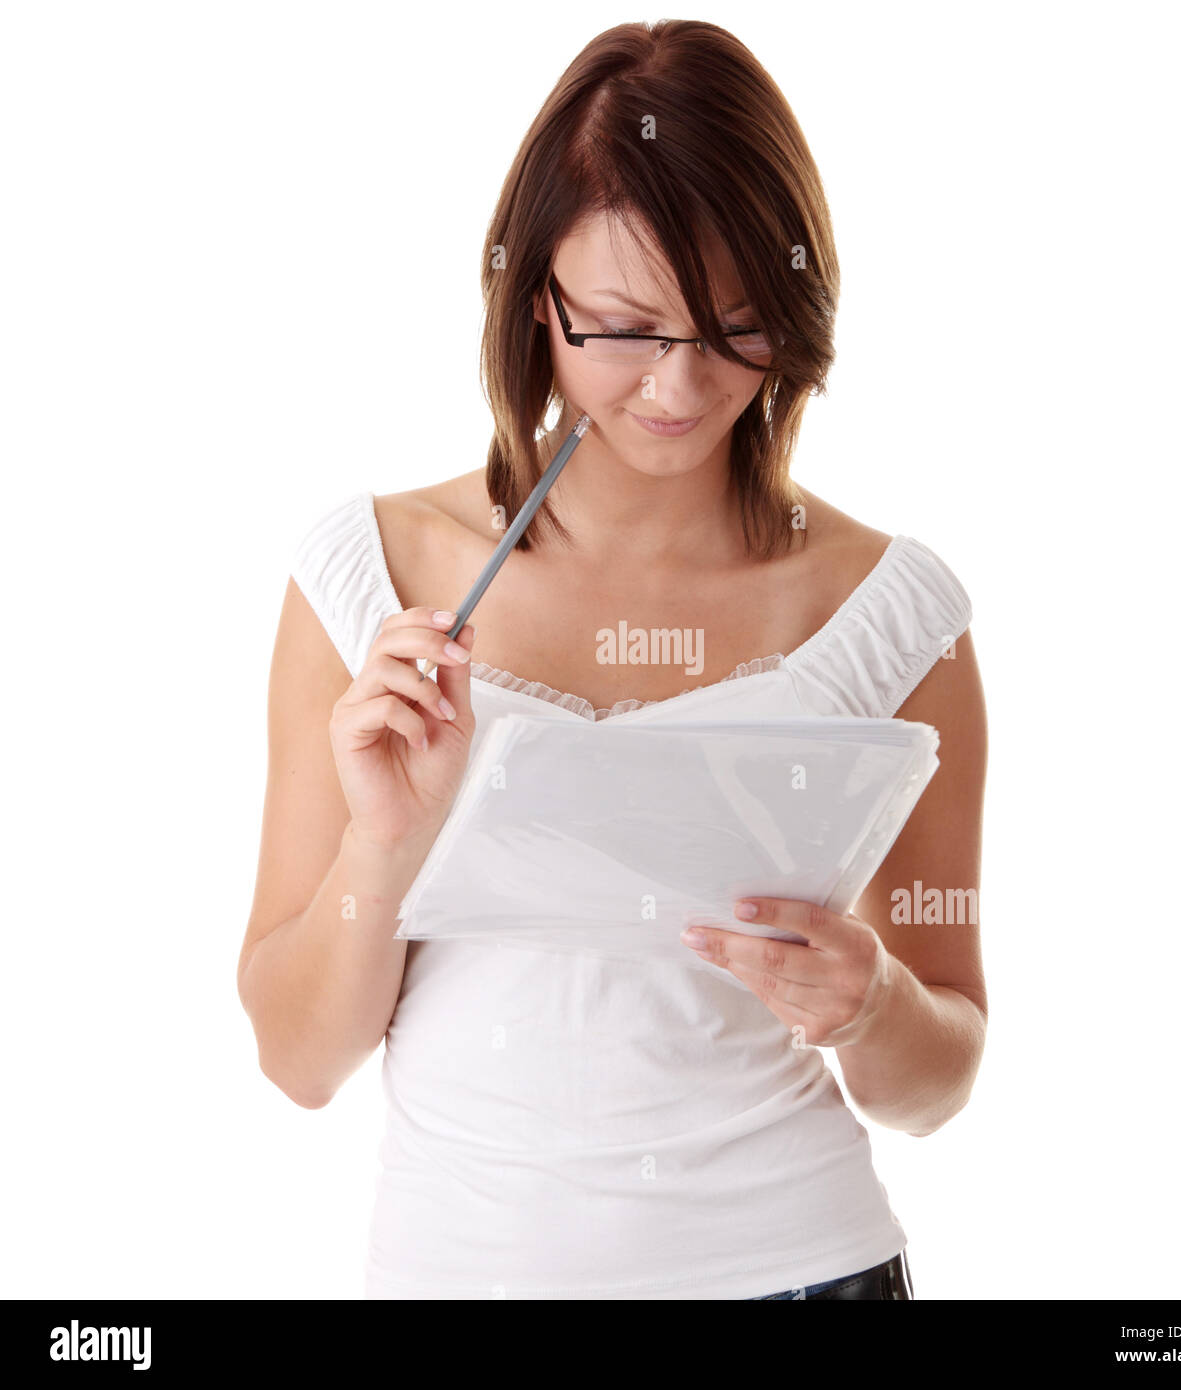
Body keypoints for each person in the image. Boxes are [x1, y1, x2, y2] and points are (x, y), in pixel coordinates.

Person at [237, 19, 987, 1301]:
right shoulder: (368, 577)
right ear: (536, 298)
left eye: (735, 327)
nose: (679, 388)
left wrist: (870, 1005)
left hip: (803, 1271)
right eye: (626, 329)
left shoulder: (886, 610)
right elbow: (300, 1062)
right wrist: (380, 845)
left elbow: (944, 1075)